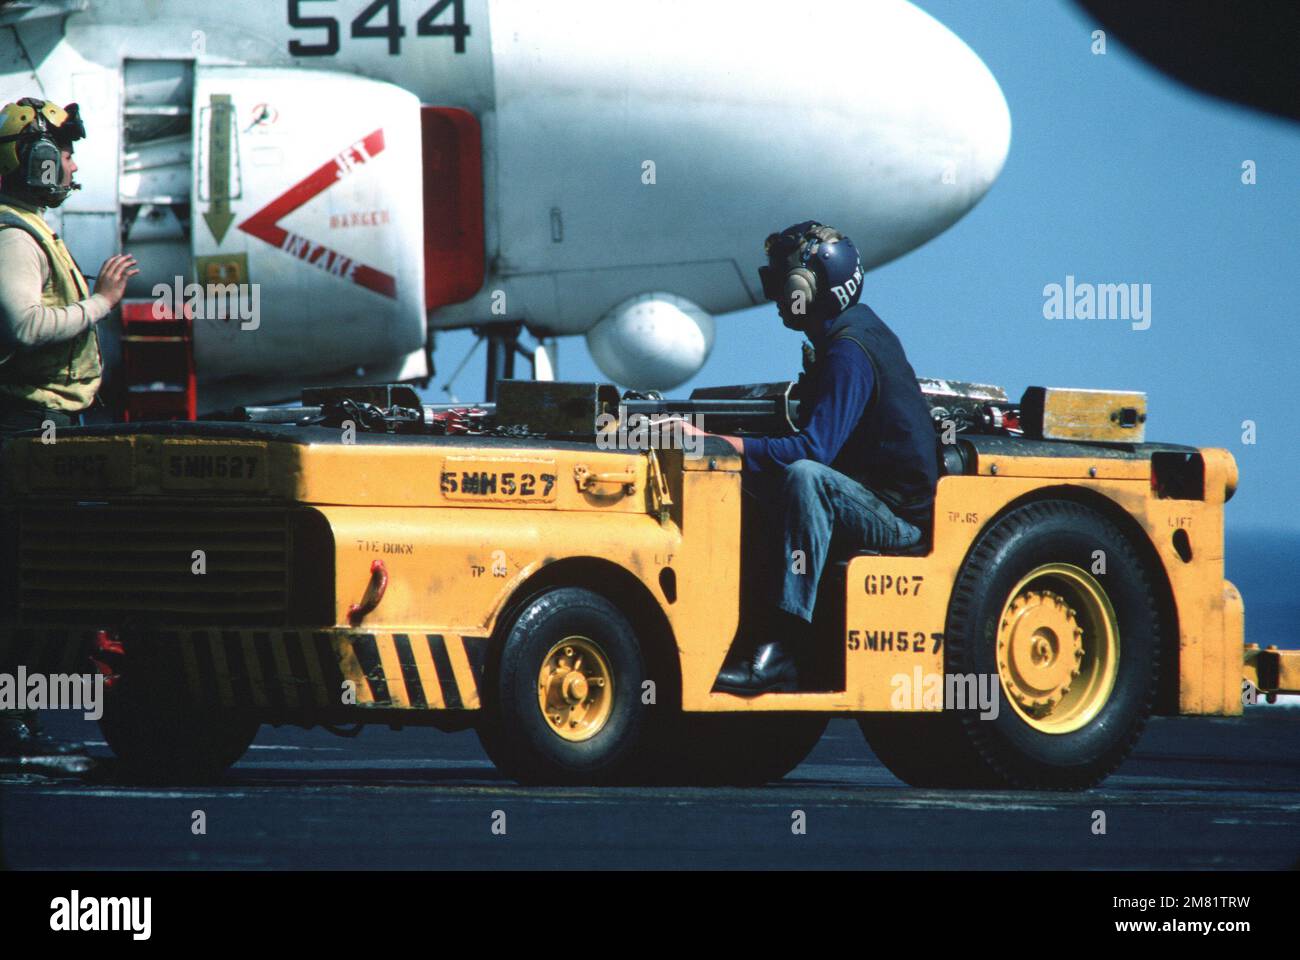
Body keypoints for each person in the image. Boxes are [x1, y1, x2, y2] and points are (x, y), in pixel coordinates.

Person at [684, 221, 939, 695]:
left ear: (809, 288)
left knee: (804, 478)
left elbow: (814, 451)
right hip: (871, 497)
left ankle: (784, 648)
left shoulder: (848, 350)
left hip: (898, 517)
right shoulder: (848, 333)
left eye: (783, 284)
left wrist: (718, 445)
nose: (778, 297)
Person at [0, 96, 137, 757]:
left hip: (51, 425)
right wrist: (101, 304)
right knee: (25, 575)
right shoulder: (15, 237)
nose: (75, 163)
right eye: (66, 150)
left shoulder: (31, 229)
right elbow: (24, 325)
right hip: (30, 426)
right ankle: (11, 720)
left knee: (43, 573)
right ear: (42, 160)